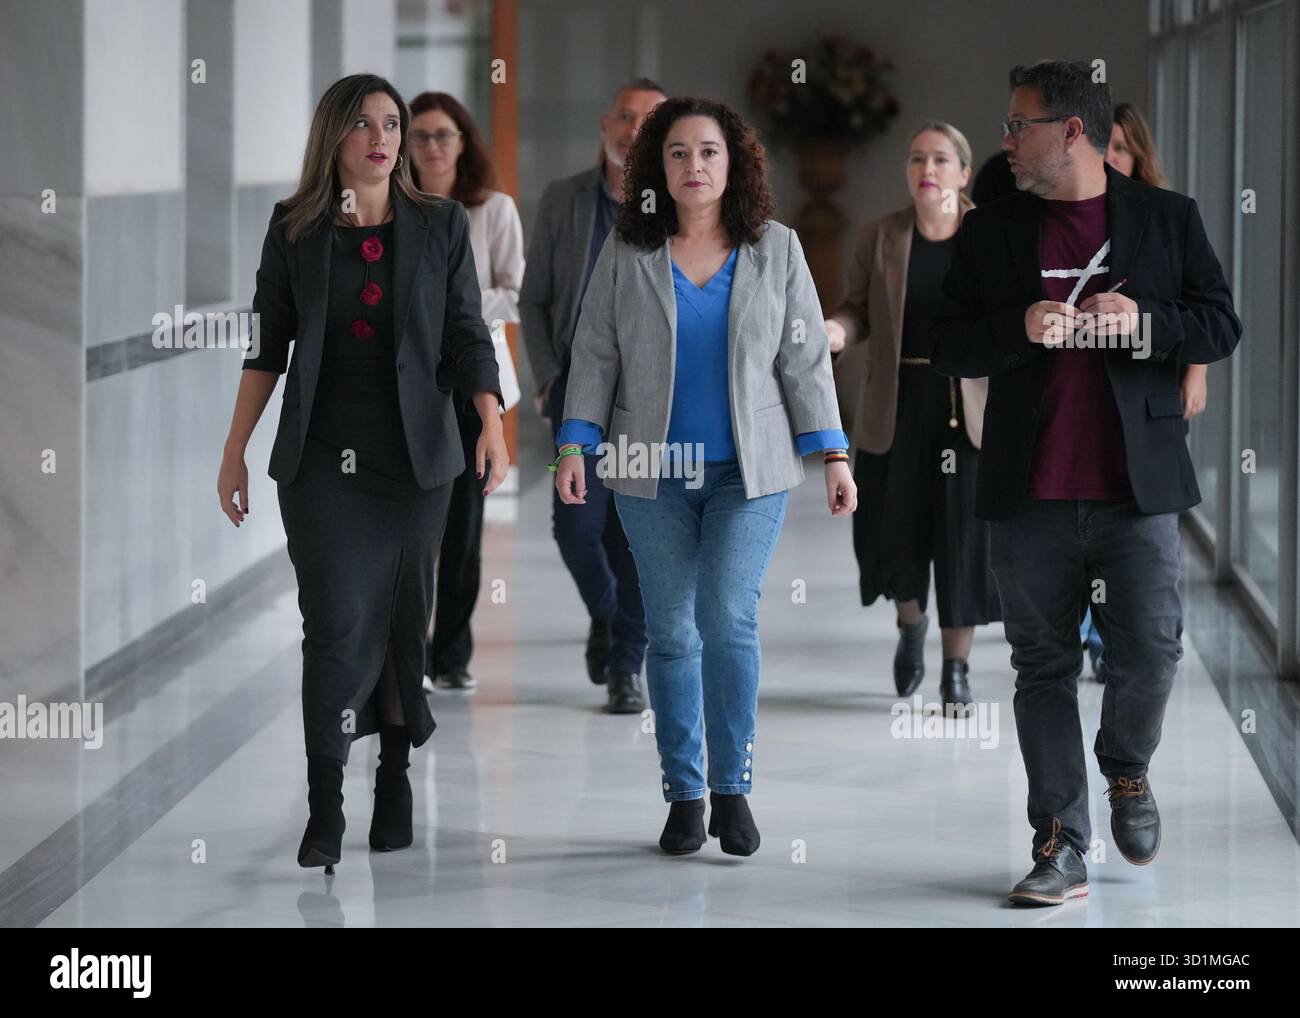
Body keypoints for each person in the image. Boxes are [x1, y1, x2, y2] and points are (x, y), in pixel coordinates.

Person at [929, 61, 1241, 906]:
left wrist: (1146, 324)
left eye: (1018, 123)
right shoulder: (992, 229)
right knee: (1042, 669)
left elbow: (1221, 320)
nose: (1005, 139)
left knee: (1152, 654)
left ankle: (1127, 771)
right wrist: (1015, 328)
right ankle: (1060, 841)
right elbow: (945, 341)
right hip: (1027, 495)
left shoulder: (1166, 220)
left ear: (1071, 130)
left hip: (1133, 491)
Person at [217, 74, 507, 871]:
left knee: (401, 624)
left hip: (416, 459)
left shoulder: (441, 223)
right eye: (364, 125)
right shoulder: (295, 227)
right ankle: (325, 804)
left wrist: (490, 420)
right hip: (320, 461)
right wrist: (235, 449)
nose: (382, 139)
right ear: (333, 138)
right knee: (337, 623)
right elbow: (267, 344)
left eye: (393, 124)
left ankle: (396, 775)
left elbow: (465, 333)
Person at [554, 96, 856, 857]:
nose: (695, 166)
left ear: (735, 163)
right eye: (680, 153)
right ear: (657, 165)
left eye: (710, 152)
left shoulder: (776, 249)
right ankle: (684, 793)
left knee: (727, 617)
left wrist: (836, 455)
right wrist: (572, 446)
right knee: (672, 632)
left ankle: (734, 787)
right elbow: (593, 355)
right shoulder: (627, 251)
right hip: (644, 471)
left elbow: (803, 359)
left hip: (746, 475)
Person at [827, 121, 999, 715]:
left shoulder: (990, 236)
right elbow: (856, 310)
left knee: (962, 541)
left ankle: (957, 667)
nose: (927, 167)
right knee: (896, 532)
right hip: (898, 405)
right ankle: (910, 624)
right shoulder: (881, 236)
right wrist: (837, 331)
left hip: (965, 408)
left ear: (963, 172)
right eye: (917, 158)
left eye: (941, 158)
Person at [519, 78, 666, 713]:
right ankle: (611, 620)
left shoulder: (673, 206)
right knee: (576, 525)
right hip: (576, 394)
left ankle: (626, 668)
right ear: (605, 124)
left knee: (635, 534)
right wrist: (550, 376)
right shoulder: (564, 199)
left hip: (650, 400)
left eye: (650, 120)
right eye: (625, 117)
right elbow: (534, 298)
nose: (635, 129)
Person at [1072, 101, 1209, 683]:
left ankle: (1111, 638)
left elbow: (1203, 310)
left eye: (1123, 147)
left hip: (1149, 401)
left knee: (1140, 528)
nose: (1111, 156)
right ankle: (1084, 630)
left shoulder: (1166, 219)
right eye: (1106, 145)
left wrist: (1195, 372)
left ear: (1139, 155)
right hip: (1076, 411)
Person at [408, 90, 525, 692]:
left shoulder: (492, 208)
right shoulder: (393, 206)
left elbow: (514, 292)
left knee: (463, 521)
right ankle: (405, 649)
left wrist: (453, 309)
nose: (431, 146)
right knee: (412, 520)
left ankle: (450, 653)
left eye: (442, 135)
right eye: (420, 135)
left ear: (462, 142)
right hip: (410, 381)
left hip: (473, 381)